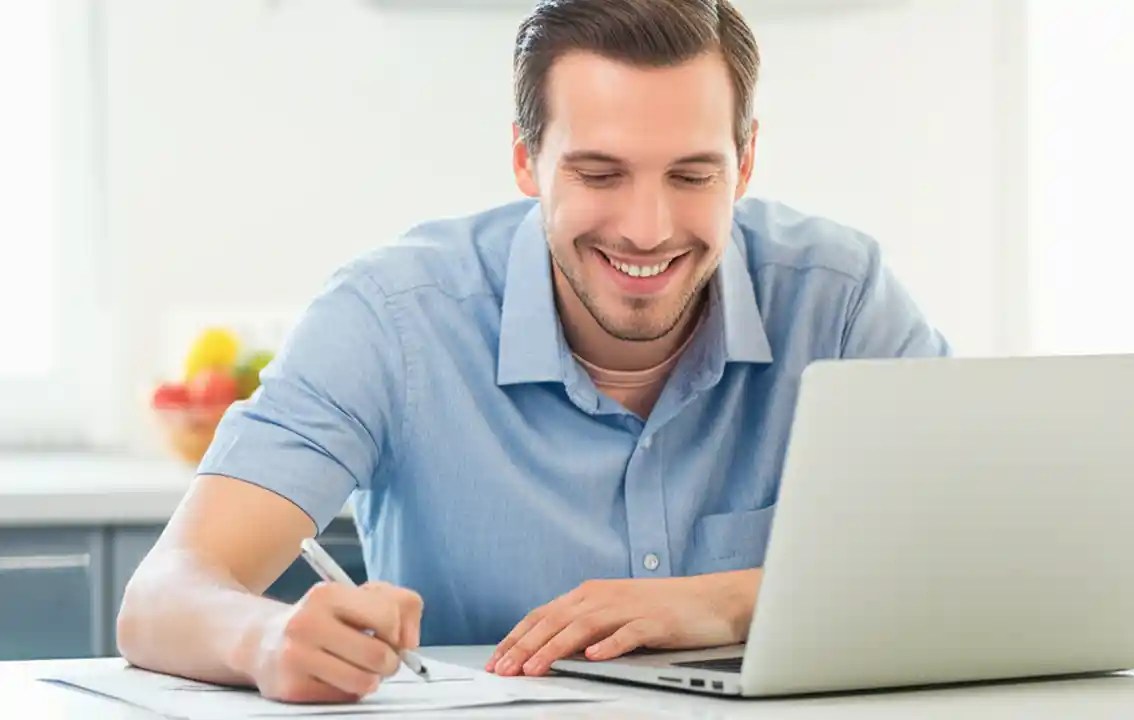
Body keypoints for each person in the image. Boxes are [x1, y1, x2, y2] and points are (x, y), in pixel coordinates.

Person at [116, 0, 950, 704]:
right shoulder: (392, 319)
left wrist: (735, 602)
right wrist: (264, 639)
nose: (647, 230)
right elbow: (163, 598)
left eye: (693, 177)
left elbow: (975, 565)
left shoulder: (839, 300)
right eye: (599, 174)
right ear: (526, 158)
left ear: (747, 160)